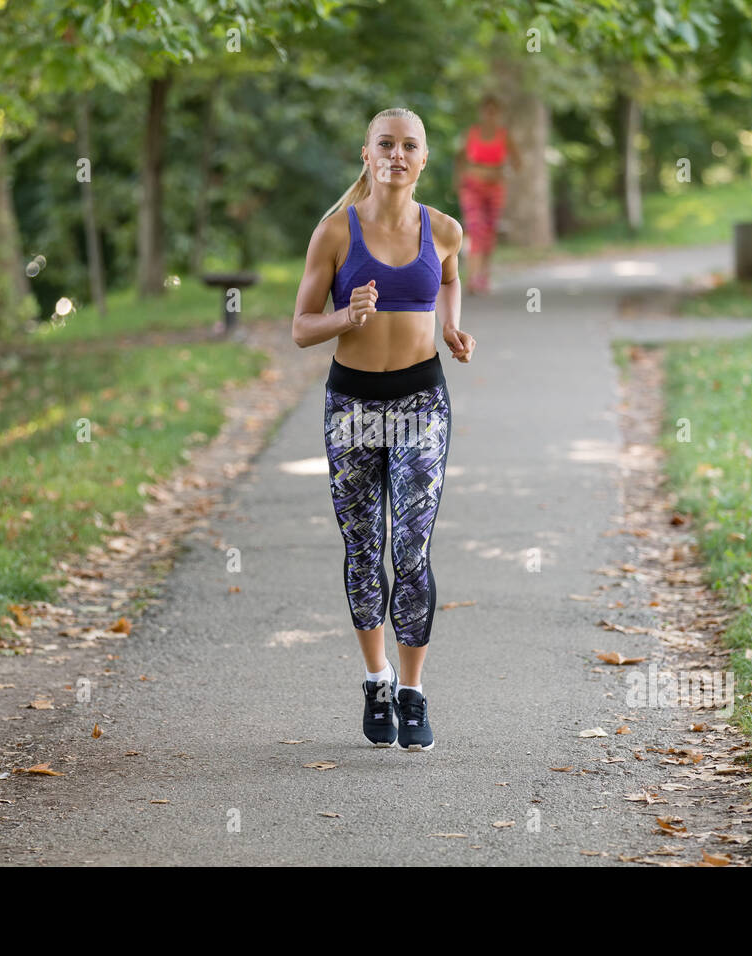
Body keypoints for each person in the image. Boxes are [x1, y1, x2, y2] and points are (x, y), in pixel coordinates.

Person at [291, 107, 475, 751]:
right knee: (365, 549)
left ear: (425, 159)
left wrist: (450, 327)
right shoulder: (335, 233)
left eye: (410, 146)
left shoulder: (446, 231)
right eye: (385, 144)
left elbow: (448, 280)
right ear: (366, 155)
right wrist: (346, 316)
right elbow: (300, 327)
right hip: (354, 406)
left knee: (412, 550)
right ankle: (376, 679)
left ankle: (412, 690)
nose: (398, 155)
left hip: (422, 401)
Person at [454, 93, 521, 294]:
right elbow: (459, 159)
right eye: (487, 110)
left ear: (498, 113)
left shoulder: (504, 136)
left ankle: (484, 276)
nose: (490, 114)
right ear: (481, 112)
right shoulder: (471, 134)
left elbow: (518, 163)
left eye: (494, 111)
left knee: (489, 232)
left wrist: (504, 171)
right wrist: (459, 182)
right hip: (472, 187)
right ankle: (472, 278)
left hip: (495, 188)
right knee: (476, 229)